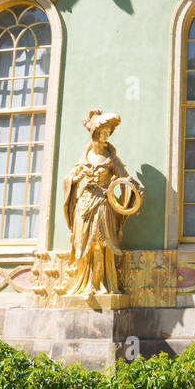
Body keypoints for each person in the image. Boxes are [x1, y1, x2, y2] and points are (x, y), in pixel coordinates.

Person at [62, 110, 141, 296]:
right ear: (94, 134)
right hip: (84, 205)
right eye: (102, 133)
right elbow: (69, 178)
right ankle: (84, 284)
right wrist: (74, 179)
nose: (105, 136)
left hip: (103, 204)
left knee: (100, 244)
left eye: (108, 133)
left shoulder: (111, 158)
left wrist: (134, 190)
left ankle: (101, 284)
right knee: (83, 244)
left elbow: (125, 178)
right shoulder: (84, 157)